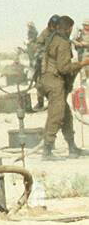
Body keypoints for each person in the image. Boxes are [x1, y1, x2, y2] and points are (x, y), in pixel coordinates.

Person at [39, 16, 88, 157]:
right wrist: (82, 64)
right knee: (57, 115)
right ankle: (47, 151)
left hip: (47, 80)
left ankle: (72, 147)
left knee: (66, 115)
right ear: (68, 28)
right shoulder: (63, 43)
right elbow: (64, 68)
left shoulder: (53, 38)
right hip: (55, 82)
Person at [29, 15, 58, 109]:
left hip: (56, 63)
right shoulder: (45, 33)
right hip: (43, 62)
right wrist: (43, 51)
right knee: (40, 83)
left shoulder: (60, 33)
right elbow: (37, 45)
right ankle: (40, 102)